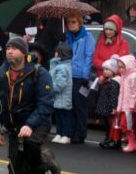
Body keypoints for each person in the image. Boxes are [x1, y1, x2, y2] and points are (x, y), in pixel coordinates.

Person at [0, 38, 60, 174]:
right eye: (8, 48)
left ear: (24, 53)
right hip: (14, 126)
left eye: (14, 48)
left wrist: (29, 125)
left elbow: (46, 104)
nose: (9, 51)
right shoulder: (1, 74)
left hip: (37, 123)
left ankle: (39, 168)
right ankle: (45, 158)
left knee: (30, 143)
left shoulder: (39, 73)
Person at [65, 15, 95, 144]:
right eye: (69, 22)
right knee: (70, 105)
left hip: (80, 75)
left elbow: (89, 56)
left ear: (79, 23)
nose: (71, 24)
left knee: (80, 105)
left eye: (73, 22)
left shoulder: (87, 37)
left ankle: (81, 132)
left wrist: (85, 75)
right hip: (68, 73)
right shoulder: (66, 36)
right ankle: (71, 131)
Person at [115, 54, 136, 153]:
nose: (121, 69)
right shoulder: (124, 77)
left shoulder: (133, 77)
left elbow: (135, 92)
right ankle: (132, 142)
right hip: (125, 106)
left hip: (130, 107)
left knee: (126, 124)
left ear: (129, 66)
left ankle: (133, 143)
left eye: (122, 67)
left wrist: (132, 105)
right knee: (126, 124)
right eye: (119, 67)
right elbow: (121, 93)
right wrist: (119, 107)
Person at [49, 43, 74, 144]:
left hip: (62, 97)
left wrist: (49, 88)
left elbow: (60, 84)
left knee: (64, 116)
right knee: (59, 116)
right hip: (59, 97)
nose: (54, 53)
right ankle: (59, 133)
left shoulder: (62, 67)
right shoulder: (60, 65)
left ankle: (66, 135)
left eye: (56, 52)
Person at [96, 57, 122, 149]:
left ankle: (114, 140)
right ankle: (110, 139)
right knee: (109, 124)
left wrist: (114, 108)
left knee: (113, 125)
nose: (105, 71)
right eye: (104, 69)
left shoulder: (114, 82)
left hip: (111, 108)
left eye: (107, 69)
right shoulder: (108, 81)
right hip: (107, 107)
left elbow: (113, 96)